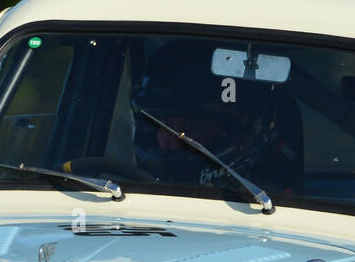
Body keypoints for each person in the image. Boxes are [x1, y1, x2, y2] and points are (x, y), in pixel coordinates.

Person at [130, 38, 304, 198]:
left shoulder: (280, 209)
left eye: (191, 126)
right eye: (164, 125)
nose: (175, 141)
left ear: (238, 130)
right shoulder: (118, 191)